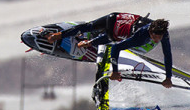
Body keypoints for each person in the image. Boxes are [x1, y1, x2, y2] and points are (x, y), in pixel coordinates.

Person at [45, 13, 173, 88]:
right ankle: (66, 37)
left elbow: (167, 55)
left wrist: (168, 77)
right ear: (150, 31)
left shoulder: (163, 32)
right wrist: (115, 71)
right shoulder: (141, 37)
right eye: (154, 36)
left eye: (159, 37)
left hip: (116, 16)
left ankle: (84, 40)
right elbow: (115, 48)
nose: (156, 40)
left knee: (89, 26)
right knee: (109, 36)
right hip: (114, 26)